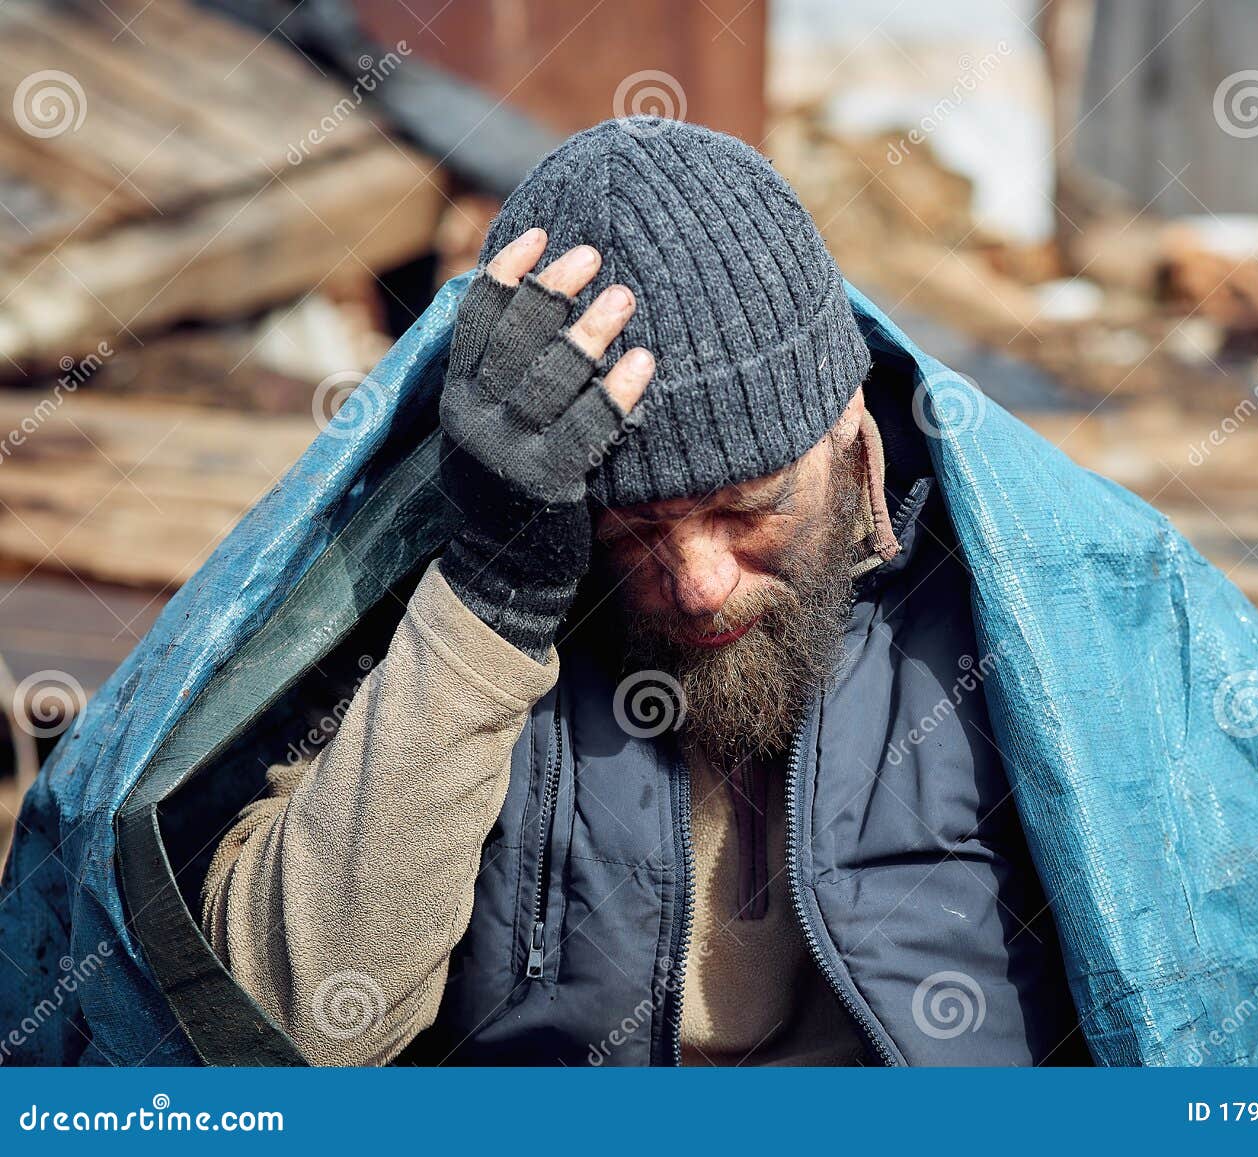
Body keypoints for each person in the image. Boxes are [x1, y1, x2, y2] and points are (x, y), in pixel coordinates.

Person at [200, 118, 1083, 1066]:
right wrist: (493, 601)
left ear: (849, 428)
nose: (700, 585)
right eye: (632, 530)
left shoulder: (1019, 609)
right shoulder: (475, 578)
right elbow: (276, 1034)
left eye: (749, 508)